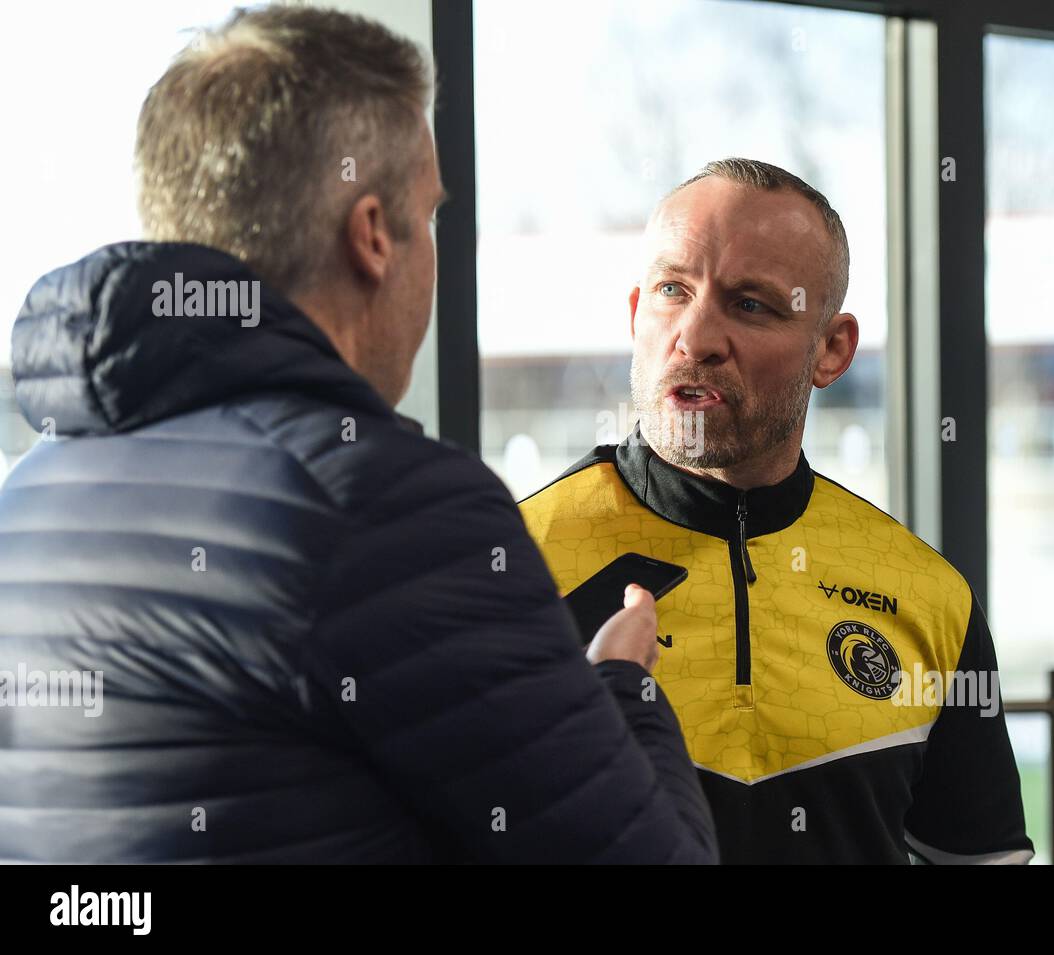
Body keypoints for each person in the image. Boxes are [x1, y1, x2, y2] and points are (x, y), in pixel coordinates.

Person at [0, 6, 716, 865]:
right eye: (433, 213)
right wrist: (621, 689)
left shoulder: (32, 496)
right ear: (374, 235)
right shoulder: (383, 506)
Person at [520, 158, 1033, 864]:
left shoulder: (929, 596)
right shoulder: (517, 563)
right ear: (638, 314)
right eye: (674, 290)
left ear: (832, 348)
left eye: (750, 304)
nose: (695, 338)